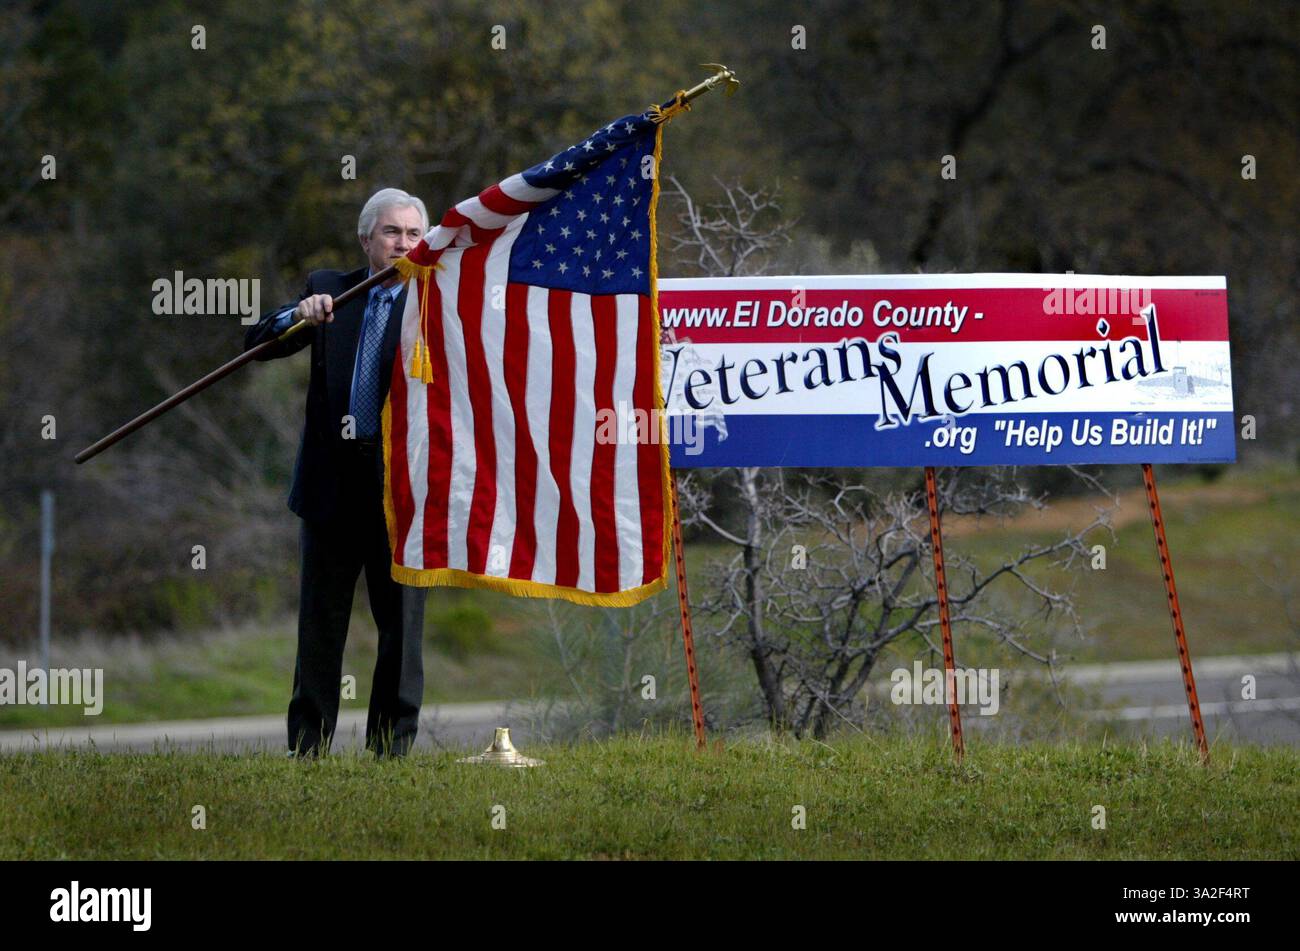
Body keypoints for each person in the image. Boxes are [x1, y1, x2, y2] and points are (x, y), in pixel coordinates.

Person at [244, 188, 430, 758]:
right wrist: (294, 317)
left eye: (414, 234)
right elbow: (257, 344)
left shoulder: (437, 298)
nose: (404, 244)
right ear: (366, 239)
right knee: (320, 627)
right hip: (330, 487)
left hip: (402, 490)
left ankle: (390, 752)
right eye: (392, 233)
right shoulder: (329, 288)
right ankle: (307, 749)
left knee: (401, 630)